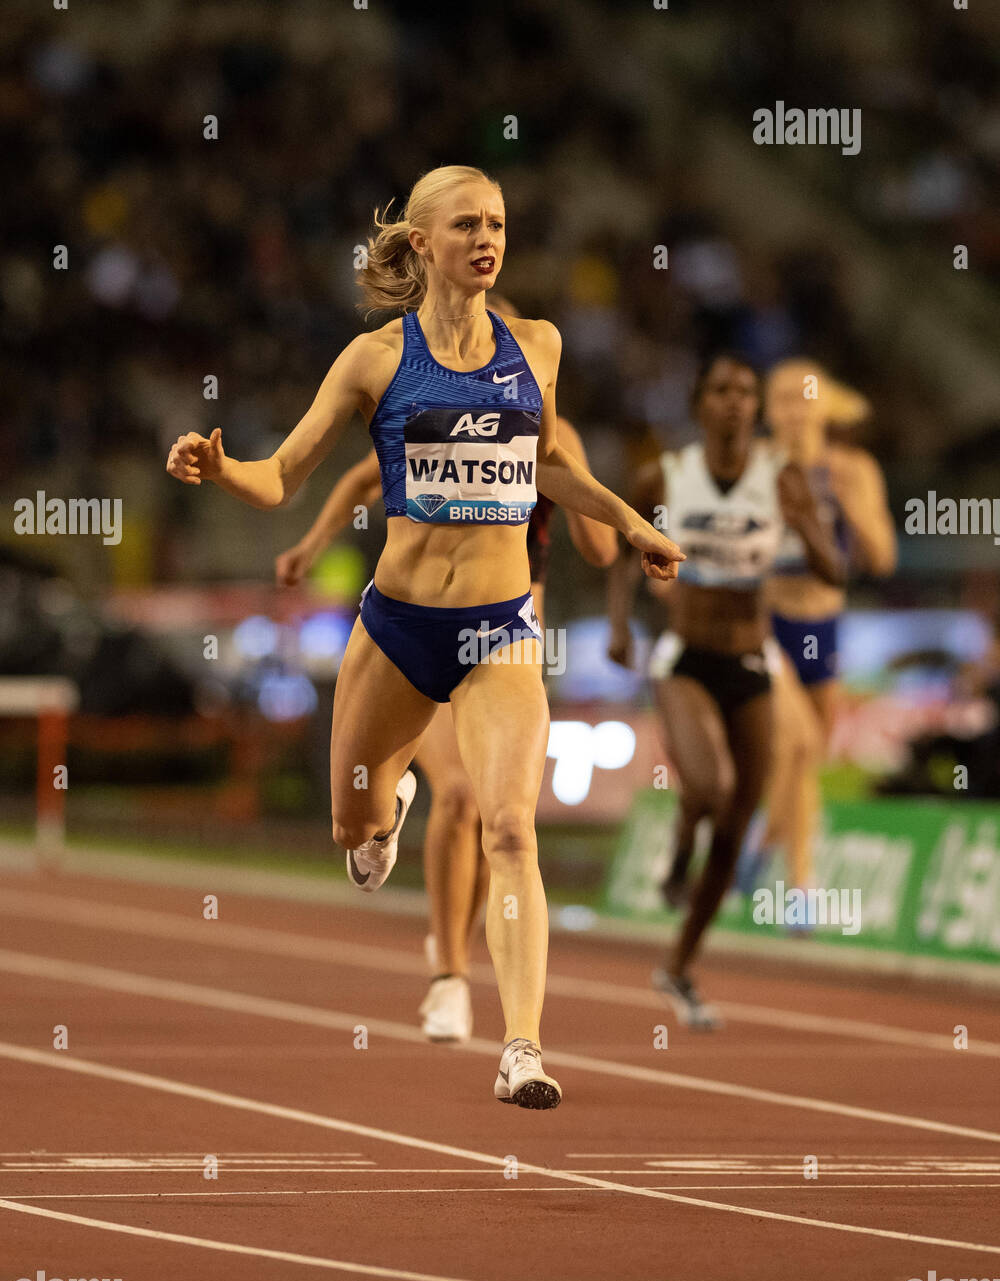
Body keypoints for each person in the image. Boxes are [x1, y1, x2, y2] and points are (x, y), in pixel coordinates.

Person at [167, 164, 681, 1107]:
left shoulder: (540, 346)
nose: (487, 239)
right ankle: (383, 813)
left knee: (510, 830)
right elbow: (284, 475)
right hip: (398, 627)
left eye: (497, 224)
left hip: (501, 628)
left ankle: (521, 1044)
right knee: (349, 827)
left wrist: (634, 523)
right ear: (419, 244)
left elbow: (548, 466)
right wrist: (219, 467)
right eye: (466, 226)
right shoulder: (374, 359)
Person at [275, 294, 618, 1043]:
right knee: (455, 799)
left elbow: (599, 549)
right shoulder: (424, 398)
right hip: (420, 624)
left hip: (509, 635)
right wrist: (311, 543)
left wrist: (608, 518)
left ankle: (495, 1015)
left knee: (502, 823)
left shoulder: (550, 432)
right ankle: (446, 968)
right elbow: (363, 479)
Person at [607, 354, 844, 1027]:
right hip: (685, 659)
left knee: (739, 820)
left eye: (746, 392)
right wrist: (621, 627)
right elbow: (626, 551)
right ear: (700, 404)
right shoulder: (668, 475)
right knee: (707, 791)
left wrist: (808, 526)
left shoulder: (781, 478)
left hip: (749, 659)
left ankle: (678, 966)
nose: (736, 401)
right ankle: (681, 843)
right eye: (721, 391)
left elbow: (832, 571)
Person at [756, 360, 897, 897]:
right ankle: (802, 885)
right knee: (798, 741)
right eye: (782, 398)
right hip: (766, 625)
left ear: (822, 404)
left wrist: (851, 504)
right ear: (768, 410)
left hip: (825, 627)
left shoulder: (853, 469)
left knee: (807, 756)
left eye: (802, 397)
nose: (793, 409)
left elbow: (883, 559)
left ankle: (764, 840)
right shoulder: (755, 466)